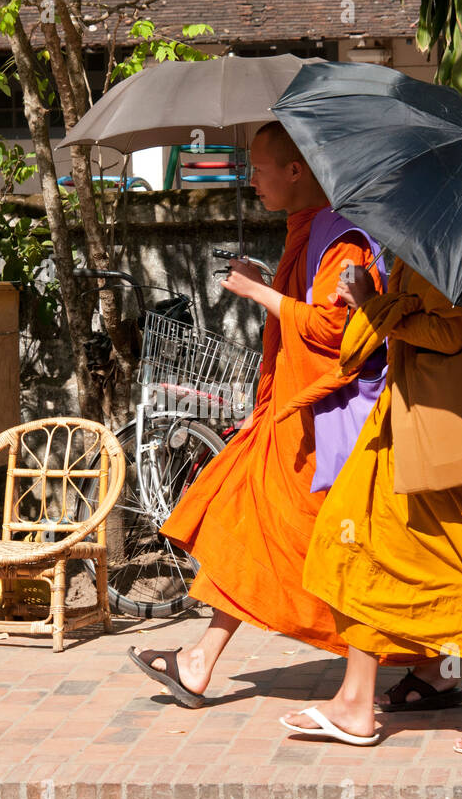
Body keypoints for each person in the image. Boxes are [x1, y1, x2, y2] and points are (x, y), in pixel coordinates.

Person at [127, 121, 399, 706]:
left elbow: (334, 330)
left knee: (351, 552)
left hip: (326, 425)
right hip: (294, 417)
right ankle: (199, 660)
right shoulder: (312, 230)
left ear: (296, 171)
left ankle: (427, 662)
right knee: (249, 521)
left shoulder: (345, 241)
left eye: (258, 169)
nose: (251, 181)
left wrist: (257, 294)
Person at [280, 257, 462, 754]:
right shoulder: (422, 245)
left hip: (454, 437)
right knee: (357, 538)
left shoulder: (450, 253)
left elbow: (448, 334)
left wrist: (371, 302)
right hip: (406, 424)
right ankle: (355, 701)